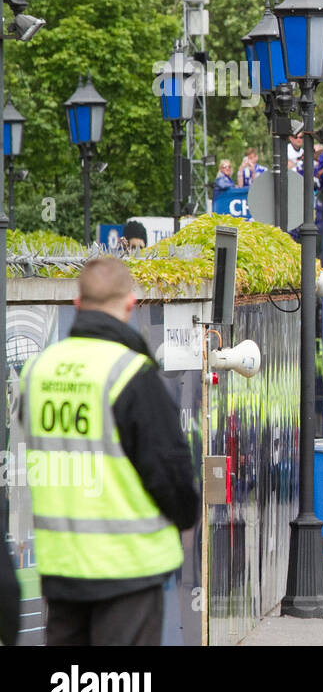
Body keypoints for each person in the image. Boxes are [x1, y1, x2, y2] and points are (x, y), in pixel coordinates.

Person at [19, 257, 198, 644]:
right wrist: (186, 516)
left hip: (61, 568)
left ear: (77, 304)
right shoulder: (132, 375)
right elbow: (171, 472)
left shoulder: (37, 372)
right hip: (128, 570)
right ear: (130, 305)